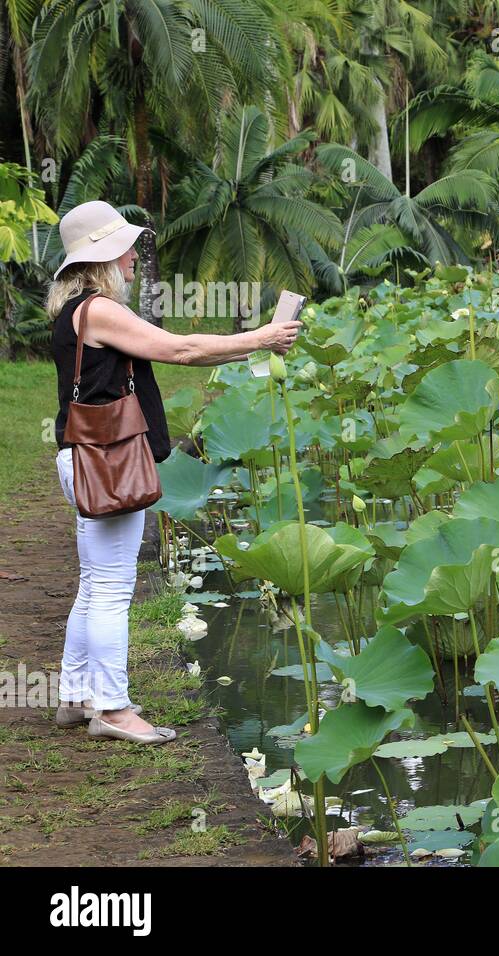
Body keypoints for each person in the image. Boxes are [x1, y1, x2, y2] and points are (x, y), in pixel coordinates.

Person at [48, 200, 300, 744]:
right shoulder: (99, 311)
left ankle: (75, 695)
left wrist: (251, 344)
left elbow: (179, 351)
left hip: (81, 457)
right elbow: (180, 349)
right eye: (128, 248)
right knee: (113, 587)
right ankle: (113, 710)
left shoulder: (71, 312)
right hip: (107, 461)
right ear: (104, 256)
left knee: (95, 583)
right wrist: (261, 339)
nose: (136, 258)